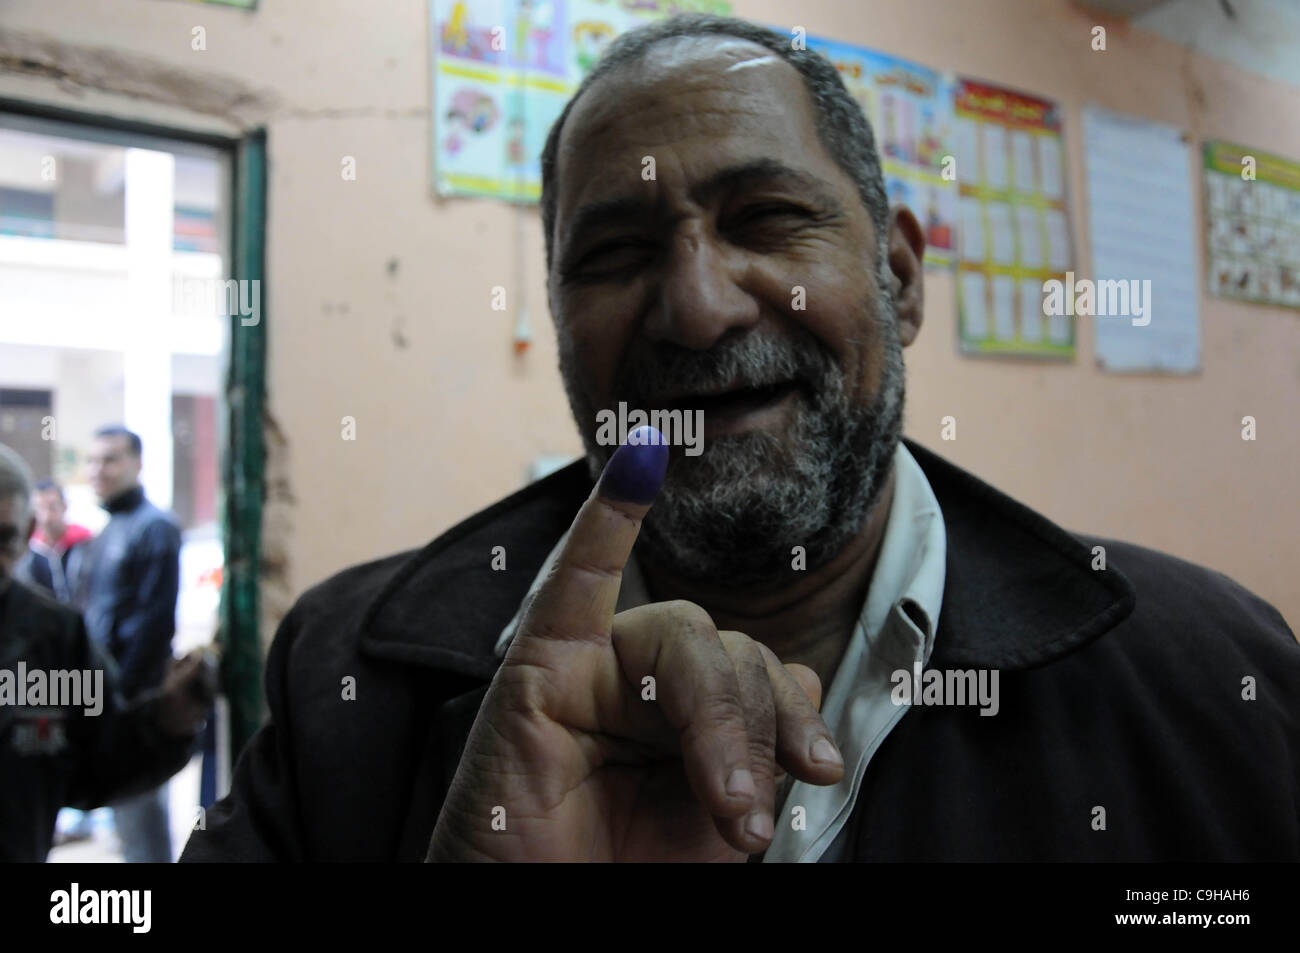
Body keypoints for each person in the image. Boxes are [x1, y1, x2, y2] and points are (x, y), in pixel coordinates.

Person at [183, 14, 1299, 863]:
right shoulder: (350, 674)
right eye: (615, 253)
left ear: (899, 278)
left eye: (767, 219)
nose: (699, 307)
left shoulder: (1213, 678)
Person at [0, 443, 214, 862]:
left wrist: (165, 719)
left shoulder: (53, 636)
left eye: (1, 539)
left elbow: (97, 762)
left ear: (27, 534)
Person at [78, 426, 183, 862]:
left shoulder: (154, 528)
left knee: (141, 816)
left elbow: (154, 625)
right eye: (94, 460)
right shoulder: (107, 531)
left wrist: (124, 698)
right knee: (123, 813)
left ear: (137, 464)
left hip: (132, 697)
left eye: (111, 459)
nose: (99, 470)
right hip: (105, 695)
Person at [16, 479, 94, 604]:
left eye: (52, 507)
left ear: (64, 506)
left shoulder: (86, 544)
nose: (46, 517)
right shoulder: (29, 551)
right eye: (40, 508)